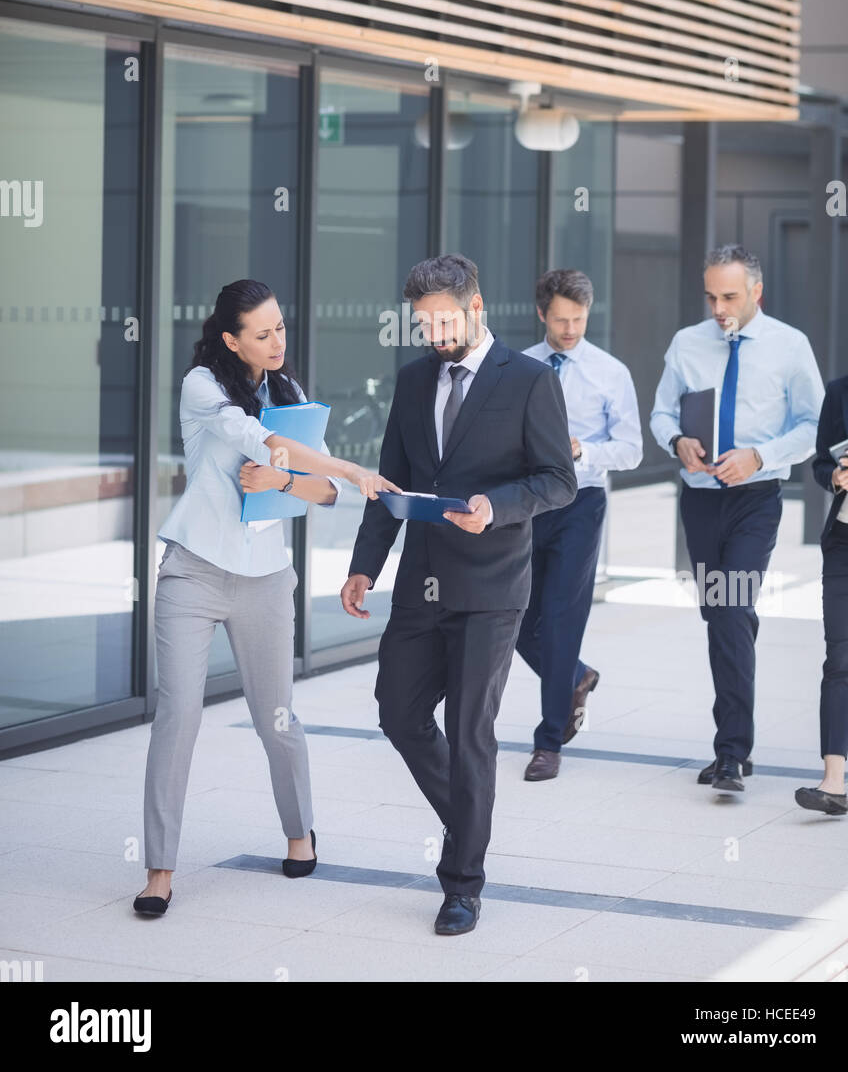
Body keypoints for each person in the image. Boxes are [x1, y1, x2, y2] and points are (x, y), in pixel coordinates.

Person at [134, 279, 399, 916]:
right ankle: (159, 870)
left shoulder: (291, 394)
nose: (277, 341)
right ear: (231, 339)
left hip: (266, 579)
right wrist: (350, 469)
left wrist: (291, 480)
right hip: (193, 573)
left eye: (280, 327)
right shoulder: (202, 385)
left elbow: (322, 495)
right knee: (179, 716)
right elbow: (267, 444)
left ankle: (300, 833)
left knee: (276, 719)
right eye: (262, 332)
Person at [339, 254, 577, 935]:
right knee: (398, 713)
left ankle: (462, 882)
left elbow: (557, 480)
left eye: (444, 319)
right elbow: (390, 483)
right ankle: (472, 820)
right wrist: (365, 567)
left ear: (475, 308)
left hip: (492, 587)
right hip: (421, 586)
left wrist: (494, 505)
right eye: (423, 323)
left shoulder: (530, 381)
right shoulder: (413, 381)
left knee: (472, 731)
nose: (434, 332)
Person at [650, 245, 824, 794]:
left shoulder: (790, 346)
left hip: (756, 498)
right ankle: (735, 740)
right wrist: (677, 441)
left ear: (756, 293)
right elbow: (660, 412)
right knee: (722, 613)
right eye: (711, 296)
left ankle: (731, 753)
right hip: (700, 499)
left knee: (729, 609)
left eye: (729, 296)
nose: (719, 306)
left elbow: (813, 424)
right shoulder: (686, 343)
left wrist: (760, 455)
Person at [518, 269, 642, 780]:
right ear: (542, 313)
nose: (571, 329)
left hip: (582, 501)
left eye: (580, 319)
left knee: (563, 617)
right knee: (519, 617)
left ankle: (549, 742)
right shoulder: (519, 367)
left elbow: (632, 451)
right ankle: (576, 675)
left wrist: (583, 448)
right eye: (562, 319)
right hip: (528, 504)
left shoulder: (611, 372)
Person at [795, 290, 848, 816]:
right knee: (839, 658)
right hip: (846, 544)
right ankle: (833, 782)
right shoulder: (840, 392)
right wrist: (837, 474)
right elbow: (819, 464)